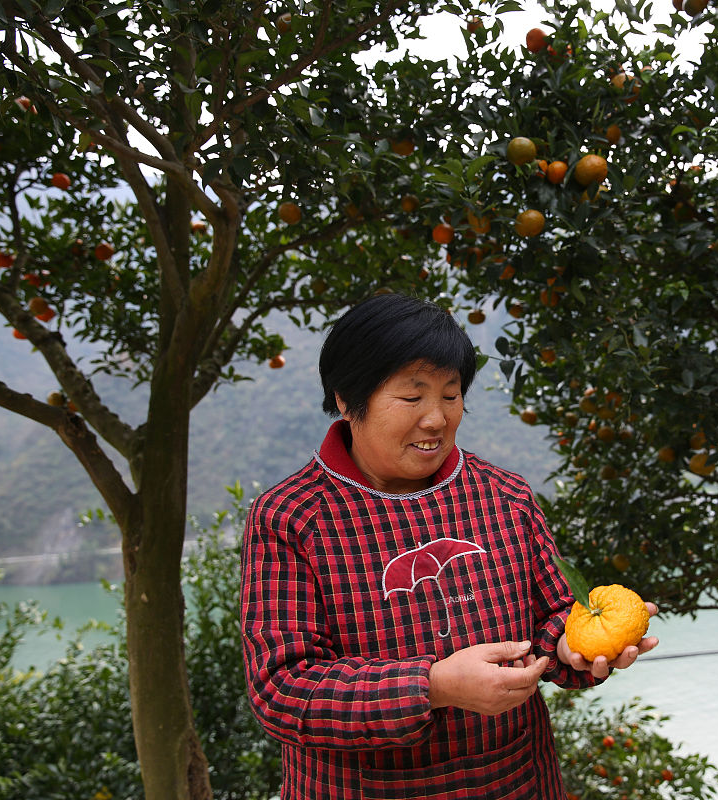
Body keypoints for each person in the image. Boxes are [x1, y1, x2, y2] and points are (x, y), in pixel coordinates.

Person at [241, 293, 658, 800]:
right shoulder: (292, 517)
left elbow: (555, 616)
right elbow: (282, 688)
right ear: (347, 399)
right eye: (412, 398)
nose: (436, 419)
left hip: (519, 783)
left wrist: (574, 649)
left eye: (451, 395)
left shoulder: (504, 496)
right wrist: (433, 686)